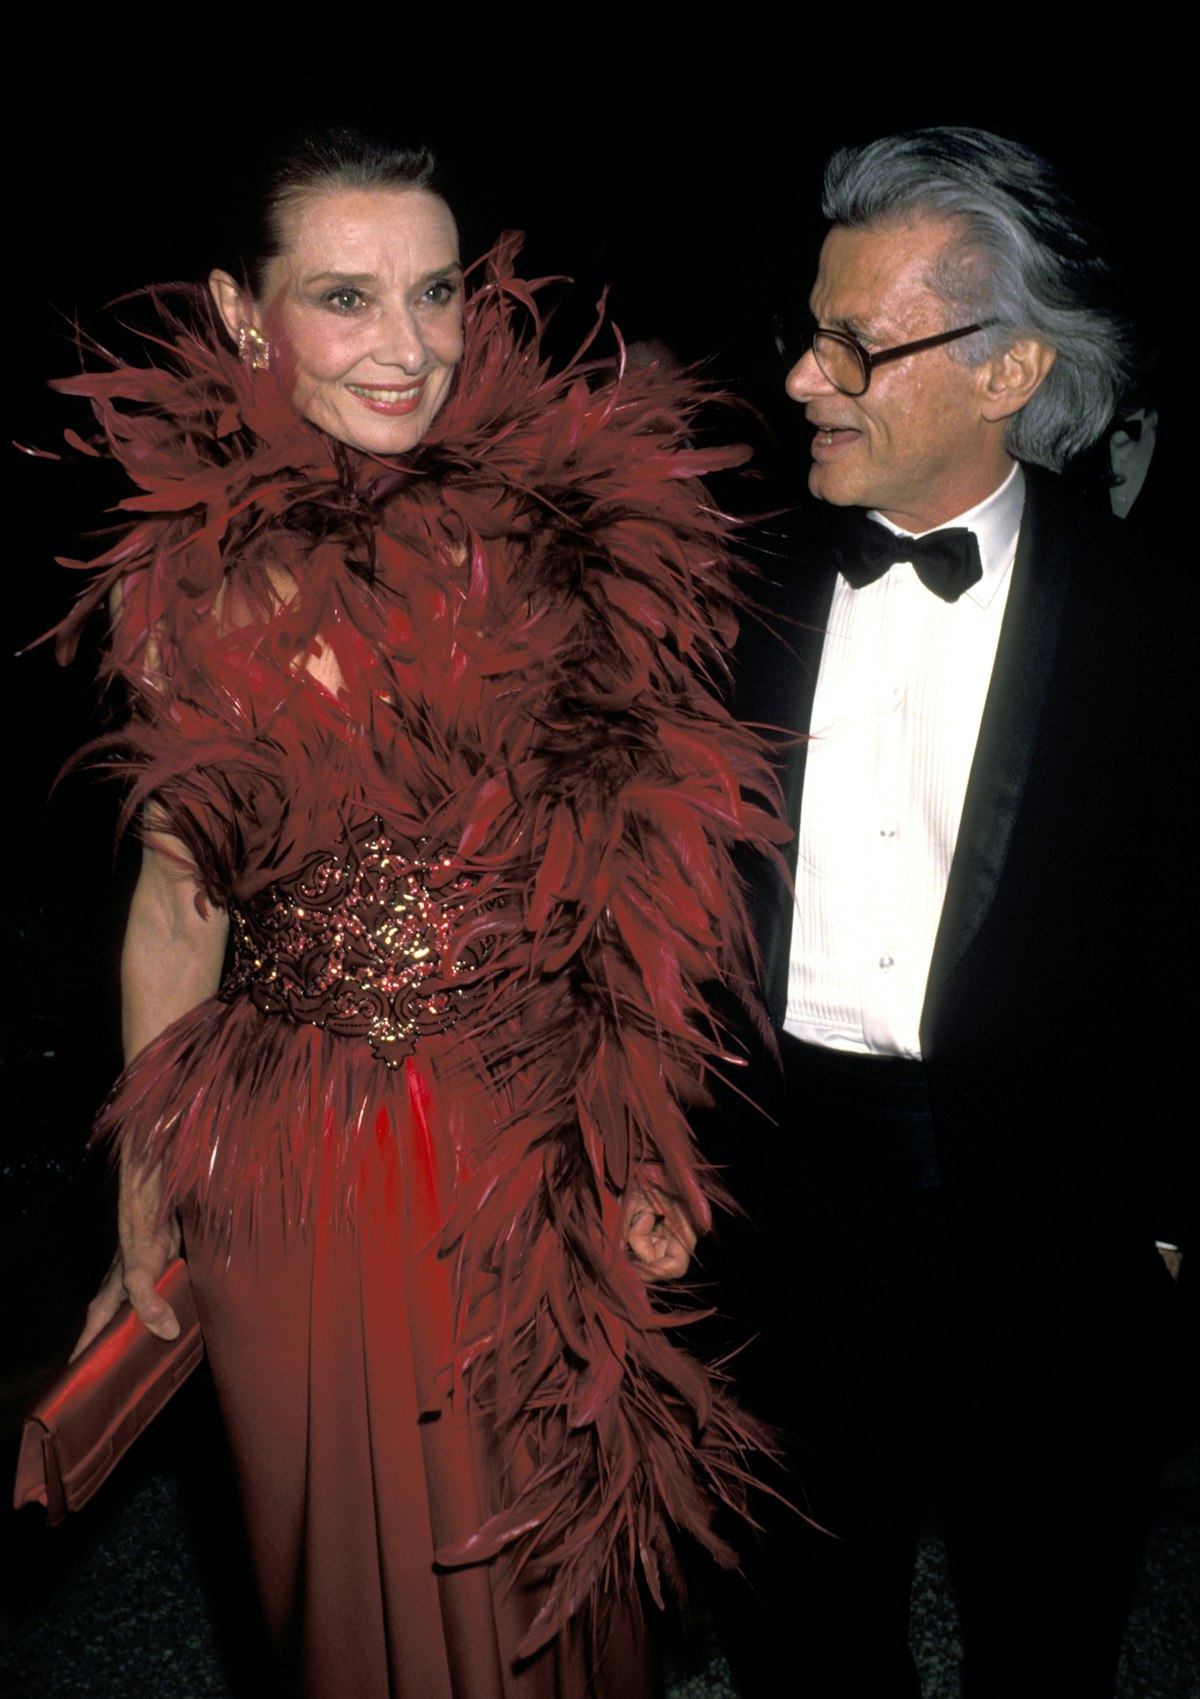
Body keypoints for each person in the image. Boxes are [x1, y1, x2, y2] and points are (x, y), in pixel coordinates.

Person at [56, 129, 782, 1699]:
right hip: (292, 1157)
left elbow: (634, 882)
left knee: (550, 1576)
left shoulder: (563, 539)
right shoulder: (178, 583)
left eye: (436, 290)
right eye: (346, 296)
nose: (408, 346)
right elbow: (176, 910)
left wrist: (639, 1144)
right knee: (336, 1589)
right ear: (242, 315)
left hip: (519, 1137)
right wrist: (139, 1210)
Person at [719, 127, 1195, 1698]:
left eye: (858, 342)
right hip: (785, 1207)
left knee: (1047, 1632)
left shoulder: (1155, 618)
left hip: (1056, 1224)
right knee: (801, 1636)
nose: (802, 376)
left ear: (1009, 375)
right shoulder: (716, 588)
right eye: (807, 329)